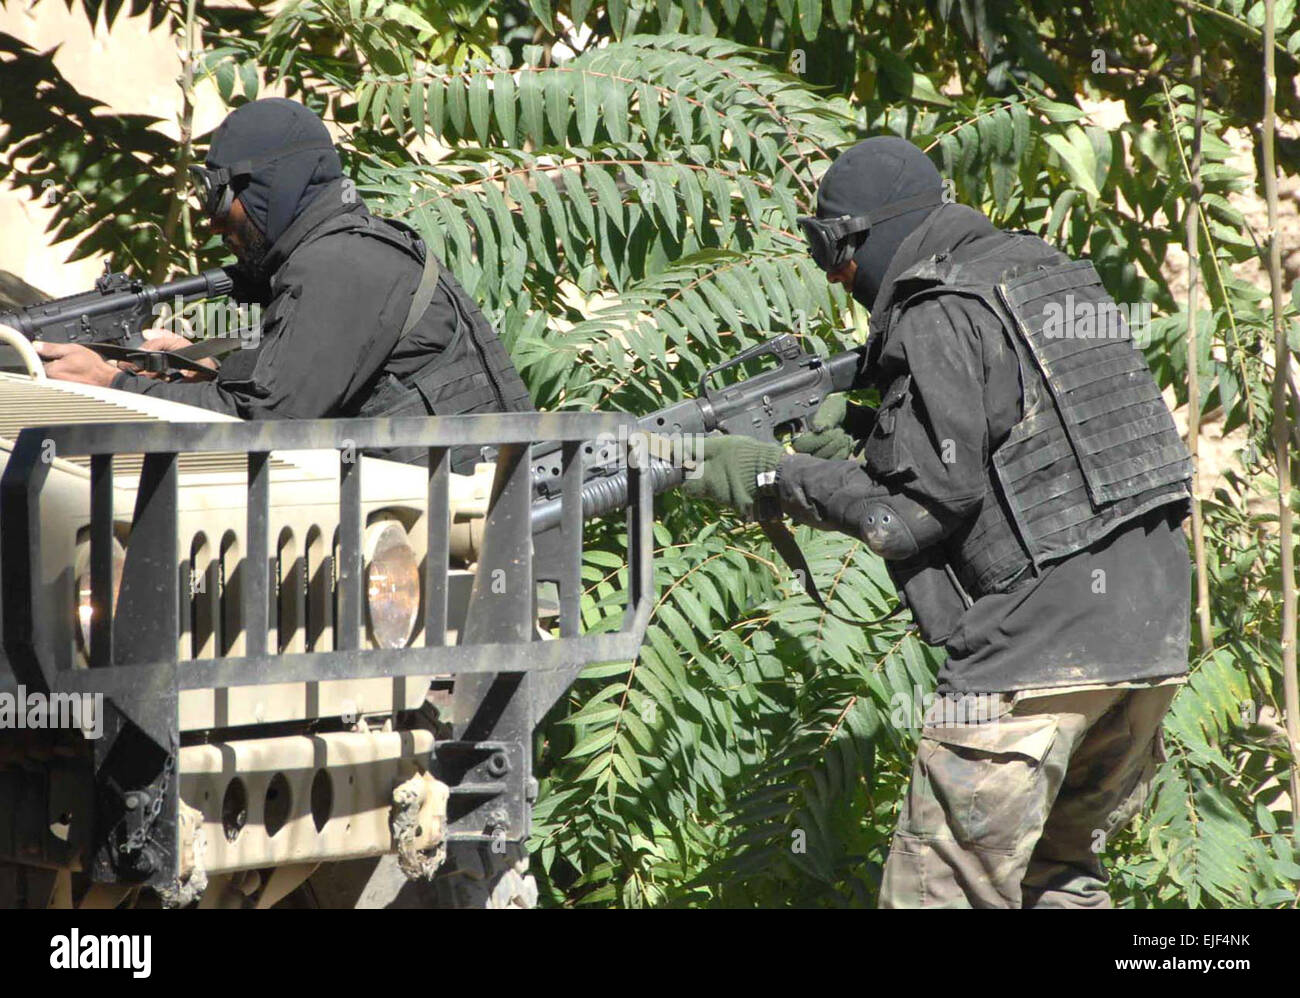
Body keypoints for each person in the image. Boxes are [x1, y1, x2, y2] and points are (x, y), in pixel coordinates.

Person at [682, 136, 1193, 908]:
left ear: (861, 236)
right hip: (1148, 641)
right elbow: (1017, 459)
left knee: (940, 892)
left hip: (1033, 656)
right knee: (1057, 882)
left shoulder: (937, 307)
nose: (838, 276)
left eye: (832, 251)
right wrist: (855, 447)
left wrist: (769, 473)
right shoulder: (1047, 275)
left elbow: (905, 518)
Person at [34, 98, 533, 471]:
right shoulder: (349, 251)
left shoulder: (340, 265)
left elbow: (262, 425)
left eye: (216, 198)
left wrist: (114, 384)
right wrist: (208, 371)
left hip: (465, 541)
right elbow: (302, 390)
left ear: (267, 187)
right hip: (451, 524)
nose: (212, 224)